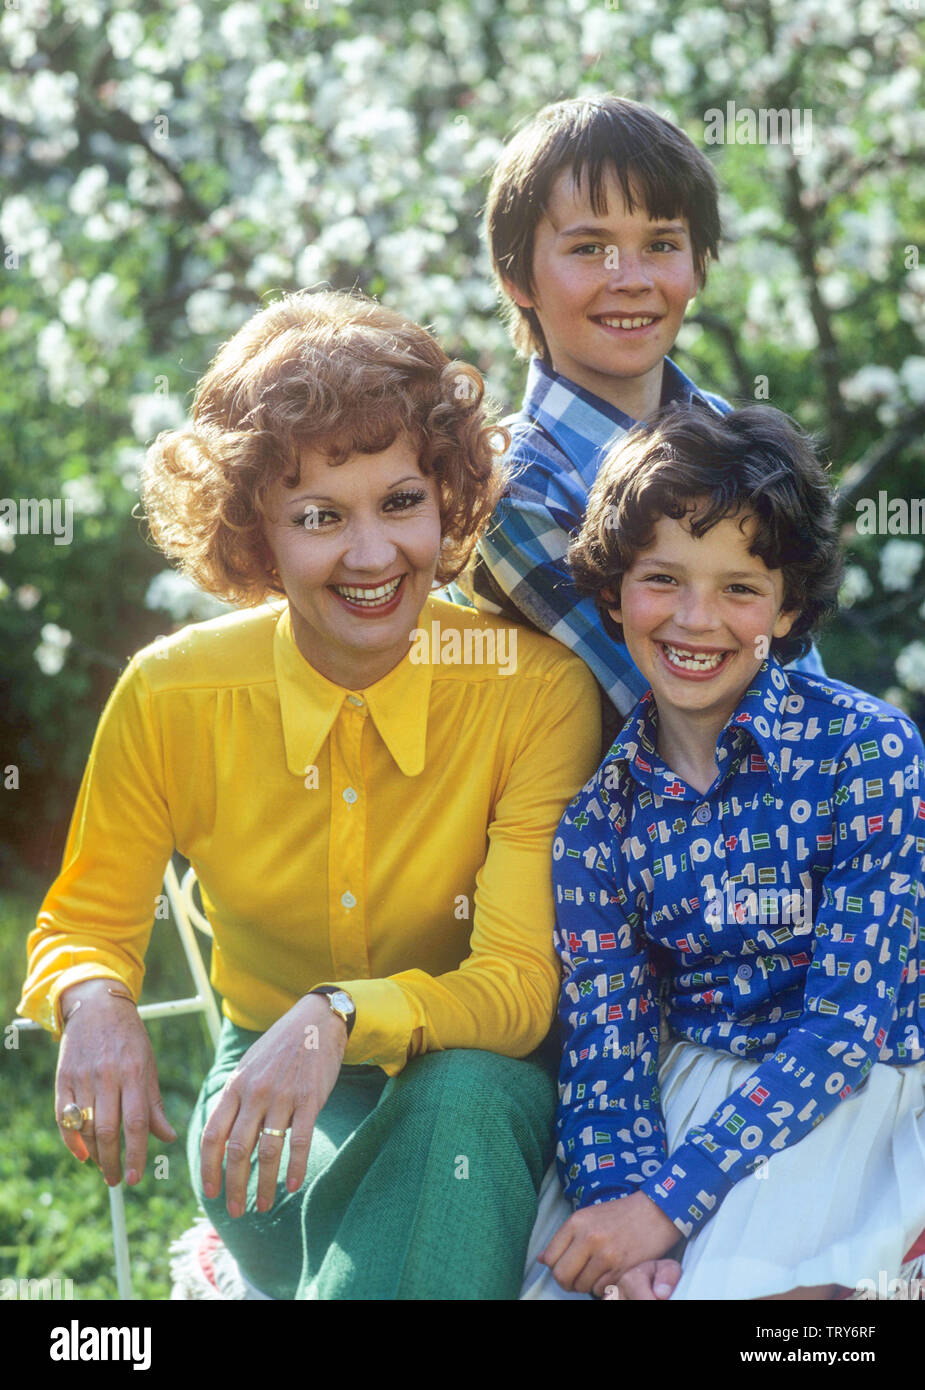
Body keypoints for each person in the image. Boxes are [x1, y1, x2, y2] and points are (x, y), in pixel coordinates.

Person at [17, 288, 602, 1301]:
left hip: (478, 1078)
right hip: (265, 1101)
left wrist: (338, 1013)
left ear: (449, 499)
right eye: (320, 516)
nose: (372, 556)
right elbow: (83, 922)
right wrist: (97, 998)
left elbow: (516, 989)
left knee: (456, 1100)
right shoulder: (169, 694)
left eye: (402, 502)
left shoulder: (535, 691)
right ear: (255, 534)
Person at [522, 400, 925, 1301]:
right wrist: (627, 1216)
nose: (694, 619)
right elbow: (607, 1051)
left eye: (739, 588)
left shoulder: (867, 753)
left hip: (862, 1084)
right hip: (692, 1082)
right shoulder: (597, 824)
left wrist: (665, 1206)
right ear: (613, 592)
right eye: (662, 579)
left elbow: (844, 1026)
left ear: (784, 611)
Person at [446, 94, 825, 747]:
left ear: (698, 263)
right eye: (590, 248)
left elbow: (797, 656)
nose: (630, 279)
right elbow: (675, 711)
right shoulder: (512, 491)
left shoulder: (727, 427)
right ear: (518, 279)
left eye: (660, 243)